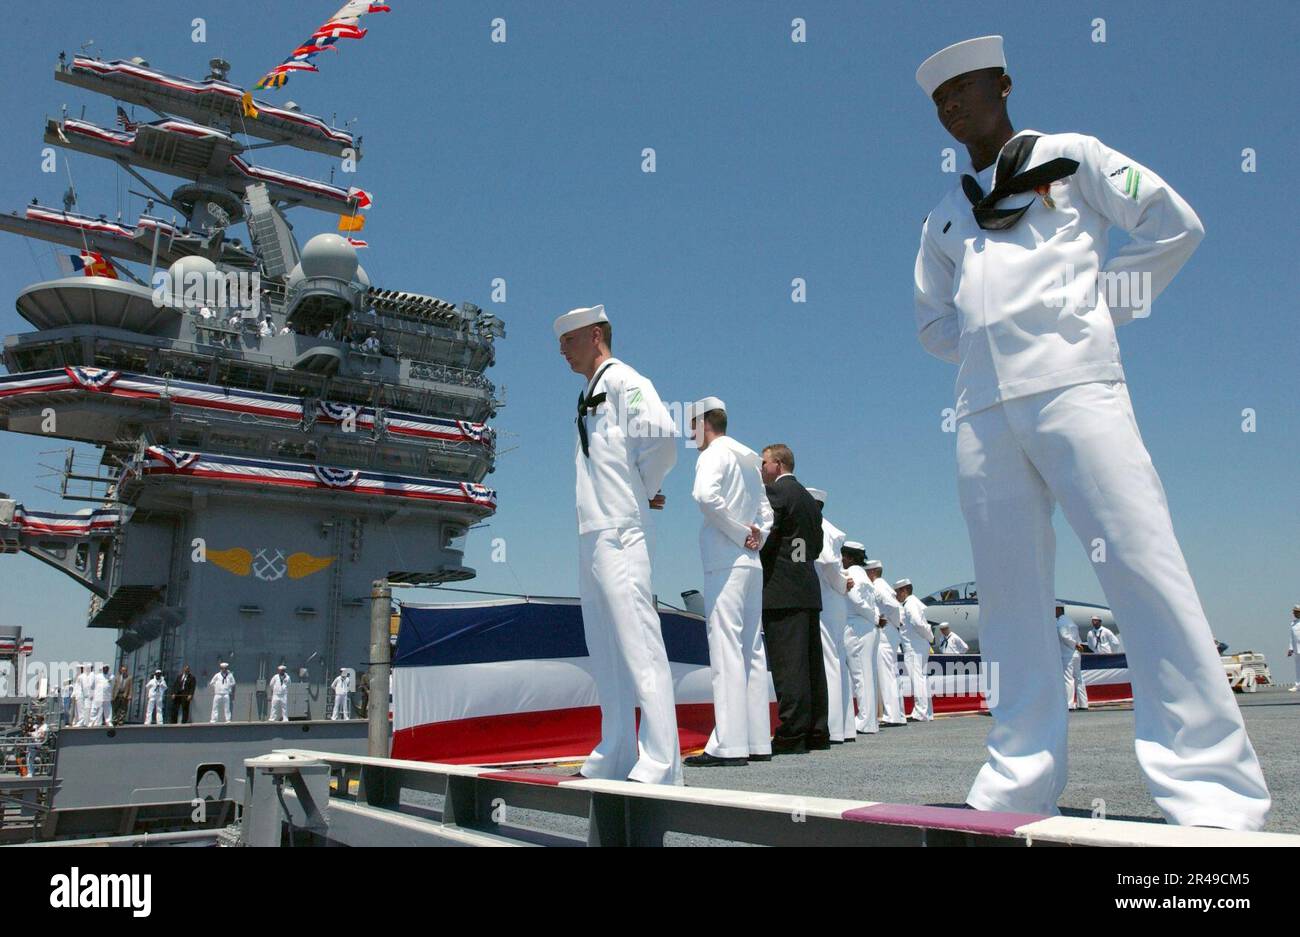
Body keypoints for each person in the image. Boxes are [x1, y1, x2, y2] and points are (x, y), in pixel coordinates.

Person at [912, 35, 1269, 828]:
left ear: (1003, 84)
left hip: (1077, 388)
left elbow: (1175, 224)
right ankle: (1017, 773)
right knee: (1008, 599)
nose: (952, 108)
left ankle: (1212, 791)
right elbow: (933, 321)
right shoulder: (945, 216)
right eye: (939, 102)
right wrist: (985, 347)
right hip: (982, 413)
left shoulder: (1071, 157)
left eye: (963, 90)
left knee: (1142, 568)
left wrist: (1099, 307)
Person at [557, 304, 682, 784]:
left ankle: (660, 760)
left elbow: (662, 438)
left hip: (621, 528)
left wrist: (643, 489)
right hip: (591, 531)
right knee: (605, 648)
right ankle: (615, 750)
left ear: (595, 335)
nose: (562, 352)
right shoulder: (588, 391)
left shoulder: (627, 381)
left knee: (639, 641)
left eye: (568, 341)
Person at [683, 397, 774, 767]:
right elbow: (766, 512)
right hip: (752, 562)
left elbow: (705, 496)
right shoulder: (749, 459)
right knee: (752, 650)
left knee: (725, 649)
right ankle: (757, 741)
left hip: (726, 560)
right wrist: (757, 537)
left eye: (692, 427)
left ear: (705, 423)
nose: (691, 435)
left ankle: (729, 745)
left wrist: (739, 534)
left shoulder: (713, 453)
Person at [759, 443, 828, 754]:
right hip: (806, 587)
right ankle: (817, 730)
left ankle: (791, 734)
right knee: (812, 665)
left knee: (789, 667)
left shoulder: (777, 494)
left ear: (778, 464)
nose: (761, 470)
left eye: (763, 463)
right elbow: (813, 546)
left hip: (782, 590)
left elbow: (766, 536)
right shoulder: (810, 502)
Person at [808, 488, 851, 744]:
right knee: (838, 660)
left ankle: (833, 727)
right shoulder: (829, 528)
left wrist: (843, 584)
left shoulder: (820, 528)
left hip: (827, 596)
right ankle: (844, 726)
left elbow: (828, 566)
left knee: (828, 662)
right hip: (835, 601)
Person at [842, 542, 879, 735]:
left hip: (857, 625)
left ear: (848, 557)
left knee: (859, 676)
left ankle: (864, 720)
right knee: (867, 674)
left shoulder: (852, 573)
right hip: (867, 627)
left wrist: (871, 615)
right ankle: (870, 720)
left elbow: (855, 599)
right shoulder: (864, 575)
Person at [865, 561, 905, 726]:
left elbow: (892, 606)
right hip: (890, 631)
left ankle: (892, 716)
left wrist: (892, 622)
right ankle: (898, 714)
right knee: (892, 674)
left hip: (885, 632)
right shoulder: (884, 585)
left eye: (867, 571)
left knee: (886, 674)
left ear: (873, 572)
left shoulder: (878, 585)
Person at [895, 579, 935, 721]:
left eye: (897, 592)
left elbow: (918, 623)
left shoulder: (910, 604)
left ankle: (920, 712)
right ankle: (927, 711)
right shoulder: (912, 603)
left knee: (917, 678)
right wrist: (929, 639)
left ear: (904, 591)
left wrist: (930, 637)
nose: (896, 595)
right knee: (922, 678)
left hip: (914, 647)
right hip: (919, 645)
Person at [1057, 605, 1089, 710]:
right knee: (1079, 678)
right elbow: (1077, 636)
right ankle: (1083, 704)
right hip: (1076, 654)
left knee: (1068, 679)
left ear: (1058, 609)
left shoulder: (1060, 623)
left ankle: (1069, 704)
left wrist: (1075, 644)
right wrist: (1078, 645)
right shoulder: (1071, 621)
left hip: (1067, 654)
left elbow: (1064, 636)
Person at [1288, 605, 1300, 692]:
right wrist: (1290, 648)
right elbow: (1292, 637)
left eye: (1295, 612)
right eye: (1294, 612)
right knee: (1298, 668)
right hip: (1297, 648)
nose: (1294, 613)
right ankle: (1298, 685)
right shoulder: (1293, 623)